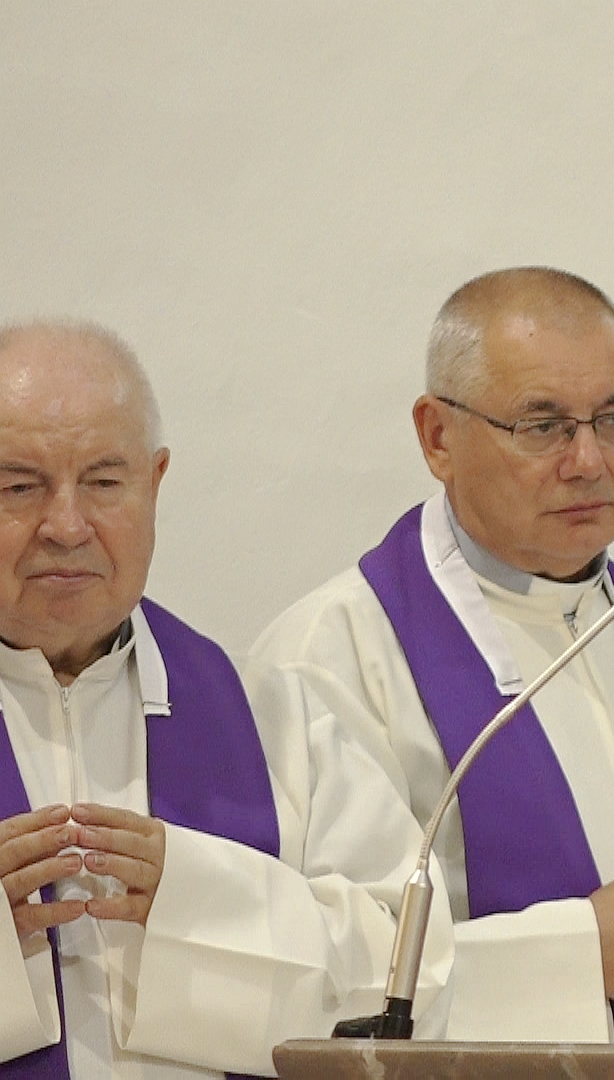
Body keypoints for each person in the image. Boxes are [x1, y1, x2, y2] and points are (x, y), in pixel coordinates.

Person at [248, 268, 614, 1044]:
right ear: (437, 436)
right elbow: (315, 969)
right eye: (543, 426)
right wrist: (582, 953)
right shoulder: (332, 655)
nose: (588, 460)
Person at [0, 320, 450, 1077]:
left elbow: (419, 977)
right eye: (18, 486)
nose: (67, 525)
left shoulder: (277, 718)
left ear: (156, 482)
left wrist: (198, 904)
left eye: (105, 482)